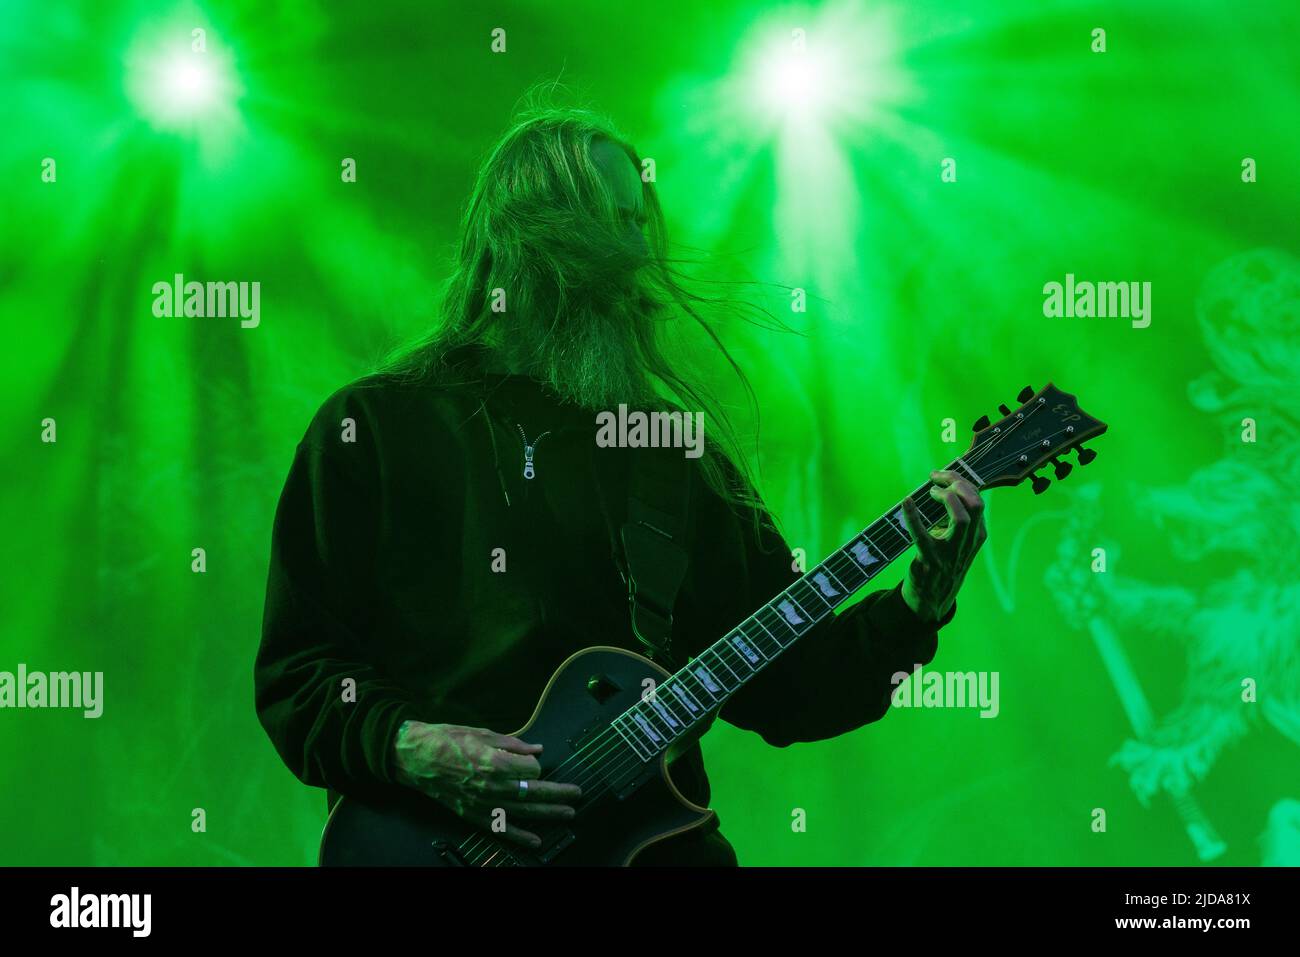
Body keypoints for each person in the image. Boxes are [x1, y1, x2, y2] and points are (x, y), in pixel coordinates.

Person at [254, 107, 986, 865]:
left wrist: (916, 609)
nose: (640, 251)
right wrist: (410, 747)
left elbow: (789, 684)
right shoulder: (372, 428)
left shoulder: (670, 452)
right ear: (528, 232)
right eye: (614, 220)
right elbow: (297, 674)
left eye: (642, 222)